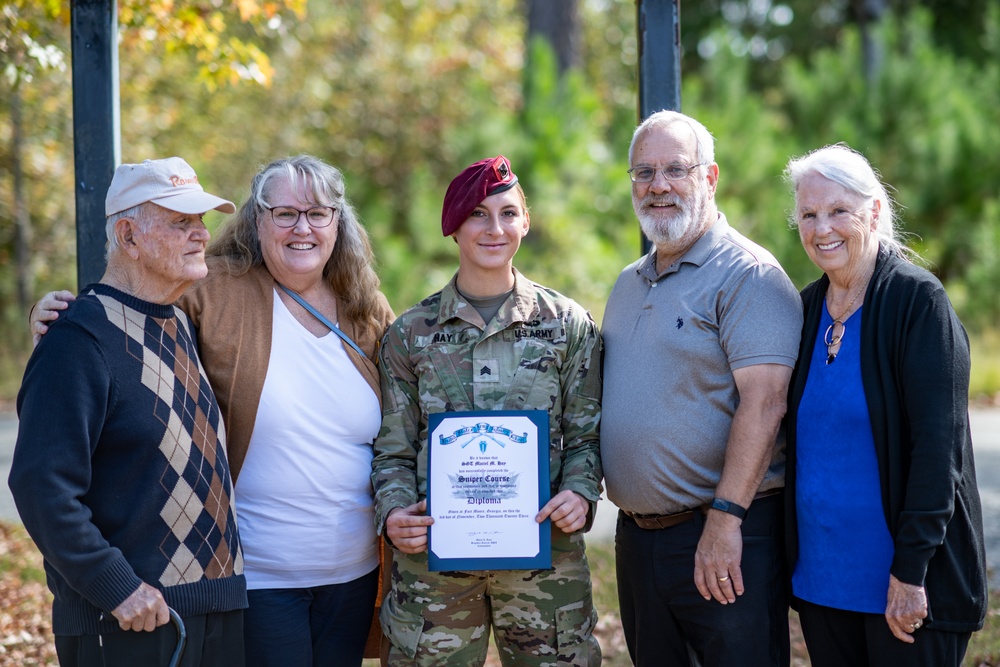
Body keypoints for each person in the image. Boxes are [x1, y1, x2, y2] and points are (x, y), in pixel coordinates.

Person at [29, 155, 394, 667]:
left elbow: (410, 410)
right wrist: (54, 315)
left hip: (345, 575)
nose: (302, 227)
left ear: (340, 221)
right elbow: (124, 306)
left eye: (318, 213)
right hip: (257, 576)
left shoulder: (365, 308)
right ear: (257, 221)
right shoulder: (210, 290)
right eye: (284, 213)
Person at [9, 157, 247, 666]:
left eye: (200, 221)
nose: (200, 235)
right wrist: (115, 589)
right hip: (130, 622)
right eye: (181, 222)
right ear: (129, 236)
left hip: (214, 612)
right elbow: (40, 484)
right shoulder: (75, 340)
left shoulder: (179, 324)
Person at [372, 155, 603, 666]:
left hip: (547, 566)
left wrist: (579, 494)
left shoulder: (568, 326)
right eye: (478, 214)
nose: (495, 228)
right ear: (453, 226)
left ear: (526, 221)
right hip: (434, 569)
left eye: (508, 213)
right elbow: (392, 450)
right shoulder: (411, 335)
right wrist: (394, 511)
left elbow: (586, 438)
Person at [600, 110, 803, 667]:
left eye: (675, 170)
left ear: (710, 178)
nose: (658, 186)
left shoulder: (748, 276)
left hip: (723, 534)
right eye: (643, 172)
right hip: (638, 540)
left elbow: (765, 405)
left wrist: (724, 520)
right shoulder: (627, 282)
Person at [782, 144, 988, 666]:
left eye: (837, 211)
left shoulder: (918, 304)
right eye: (808, 214)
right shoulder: (805, 310)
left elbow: (937, 454)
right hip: (823, 585)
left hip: (905, 589)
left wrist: (911, 571)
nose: (821, 228)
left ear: (873, 212)